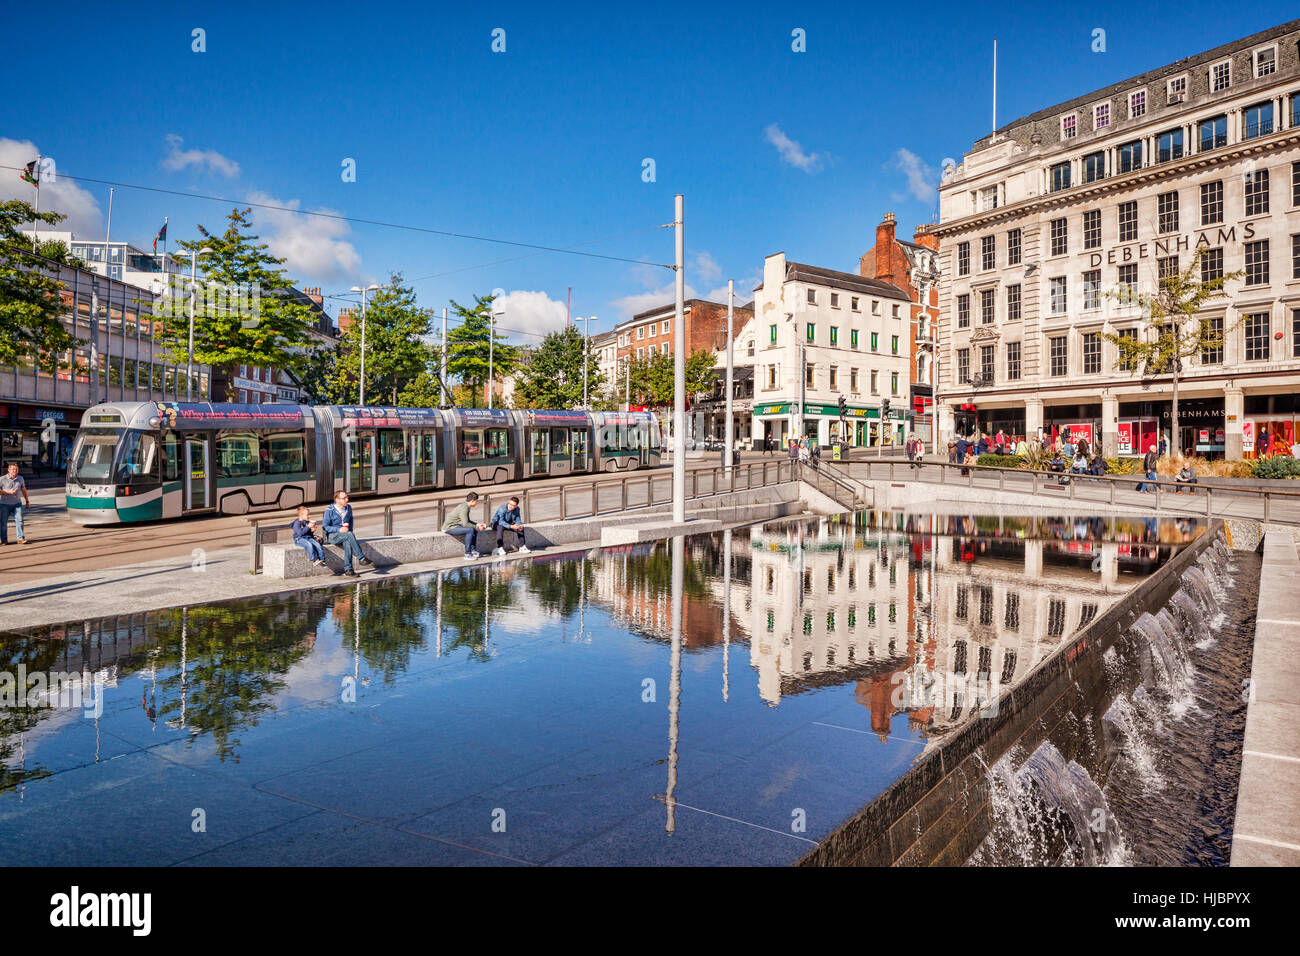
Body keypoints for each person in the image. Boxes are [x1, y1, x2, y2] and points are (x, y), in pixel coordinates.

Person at [322, 490, 371, 576]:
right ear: (337, 500)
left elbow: (351, 519)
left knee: (348, 542)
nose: (347, 499)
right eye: (344, 498)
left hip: (346, 535)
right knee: (349, 535)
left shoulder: (348, 508)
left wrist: (350, 530)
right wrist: (338, 530)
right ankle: (361, 558)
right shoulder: (329, 510)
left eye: (347, 497)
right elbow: (325, 527)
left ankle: (348, 570)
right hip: (333, 536)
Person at [443, 491, 488, 560]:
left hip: (456, 525)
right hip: (449, 527)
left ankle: (473, 551)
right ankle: (467, 554)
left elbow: (467, 521)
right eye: (476, 501)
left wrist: (477, 525)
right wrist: (477, 527)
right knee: (470, 530)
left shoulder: (466, 506)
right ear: (473, 501)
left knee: (473, 529)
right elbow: (465, 524)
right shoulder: (464, 508)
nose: (477, 503)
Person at [1, 462, 31, 545]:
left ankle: (20, 538)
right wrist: (8, 493)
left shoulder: (20, 478)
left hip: (17, 504)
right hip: (4, 504)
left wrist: (27, 501)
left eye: (16, 469)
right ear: (8, 470)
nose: (15, 471)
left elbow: (23, 490)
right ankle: (4, 540)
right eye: (13, 469)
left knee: (20, 521)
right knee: (3, 523)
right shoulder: (2, 479)